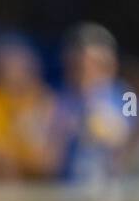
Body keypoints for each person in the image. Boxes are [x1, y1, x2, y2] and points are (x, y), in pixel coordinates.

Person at [47, 23, 133, 185]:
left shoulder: (128, 96)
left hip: (112, 188)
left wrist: (96, 107)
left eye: (94, 63)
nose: (86, 69)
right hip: (66, 191)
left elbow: (131, 139)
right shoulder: (56, 97)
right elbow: (48, 150)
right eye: (78, 63)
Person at [0, 35, 57, 179]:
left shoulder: (44, 99)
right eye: (4, 67)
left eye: (19, 66)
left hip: (39, 179)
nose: (12, 72)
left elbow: (48, 159)